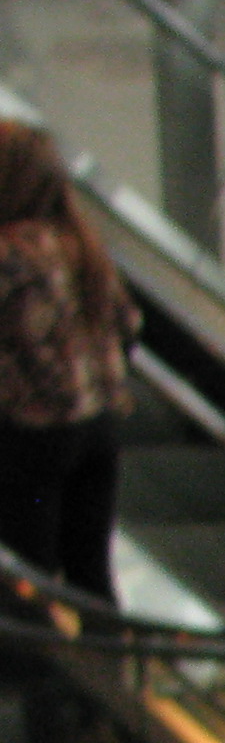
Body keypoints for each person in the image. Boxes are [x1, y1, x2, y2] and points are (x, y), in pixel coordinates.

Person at [0, 119, 139, 607]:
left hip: (36, 433)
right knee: (90, 569)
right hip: (98, 423)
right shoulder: (78, 244)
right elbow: (128, 323)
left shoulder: (9, 253)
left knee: (26, 573)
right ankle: (112, 673)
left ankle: (40, 679)